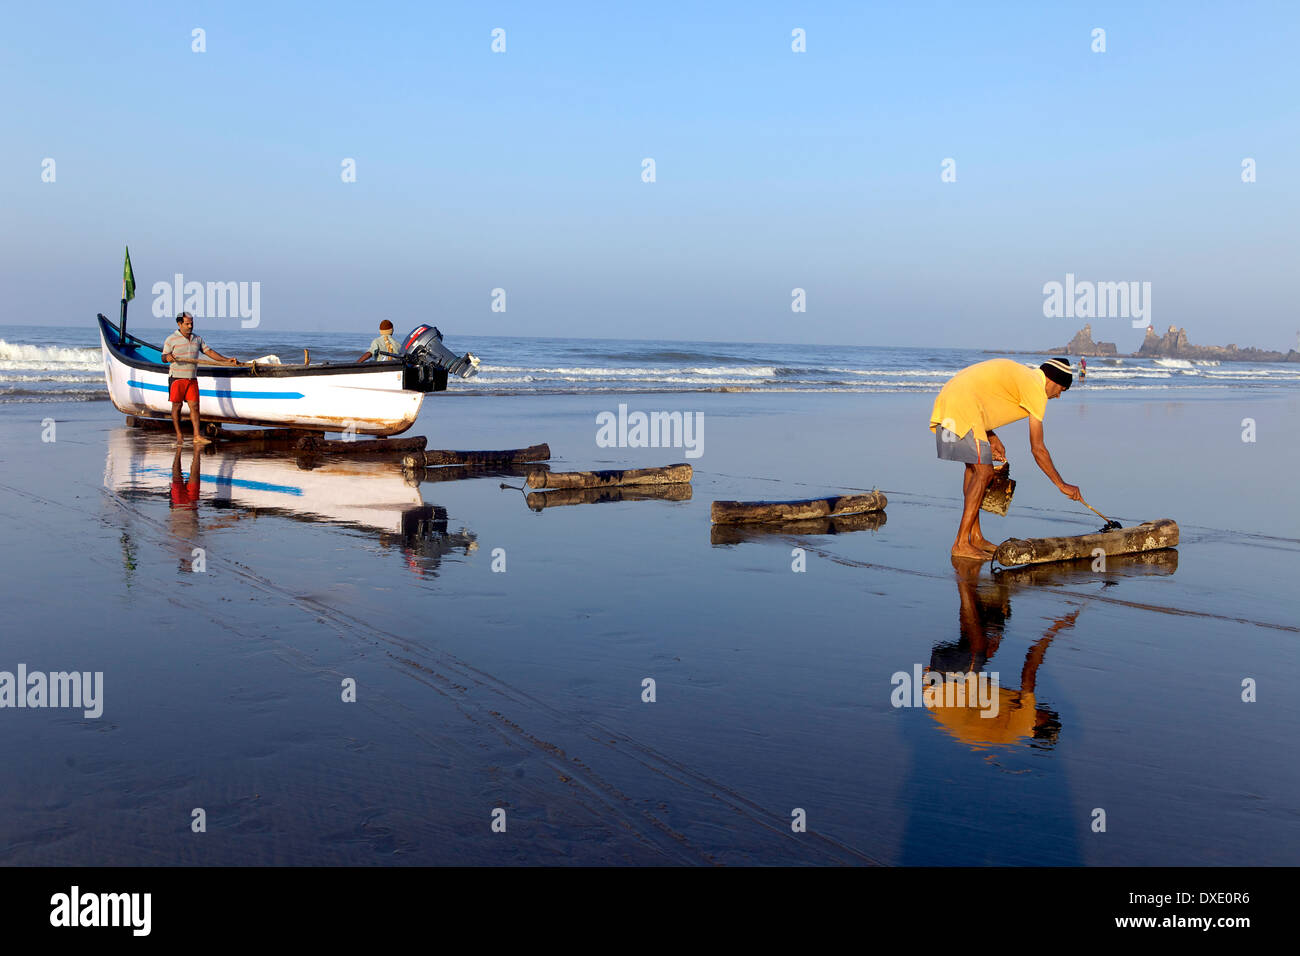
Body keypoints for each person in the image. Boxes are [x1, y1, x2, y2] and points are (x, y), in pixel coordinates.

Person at [929, 357, 1081, 561]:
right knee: (984, 473)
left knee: (974, 470)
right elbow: (1038, 449)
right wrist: (1061, 484)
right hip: (961, 406)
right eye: (1061, 389)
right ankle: (961, 543)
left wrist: (991, 436)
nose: (1058, 396)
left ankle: (975, 537)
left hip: (952, 400)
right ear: (1053, 380)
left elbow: (983, 393)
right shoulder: (1036, 389)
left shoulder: (1025, 378)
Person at [161, 312, 240, 443]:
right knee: (177, 406)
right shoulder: (171, 339)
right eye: (187, 324)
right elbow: (163, 357)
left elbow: (209, 352)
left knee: (195, 406)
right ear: (179, 324)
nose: (190, 326)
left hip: (192, 378)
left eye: (191, 323)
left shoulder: (197, 339)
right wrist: (167, 357)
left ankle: (197, 436)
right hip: (177, 378)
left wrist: (226, 360)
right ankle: (179, 435)